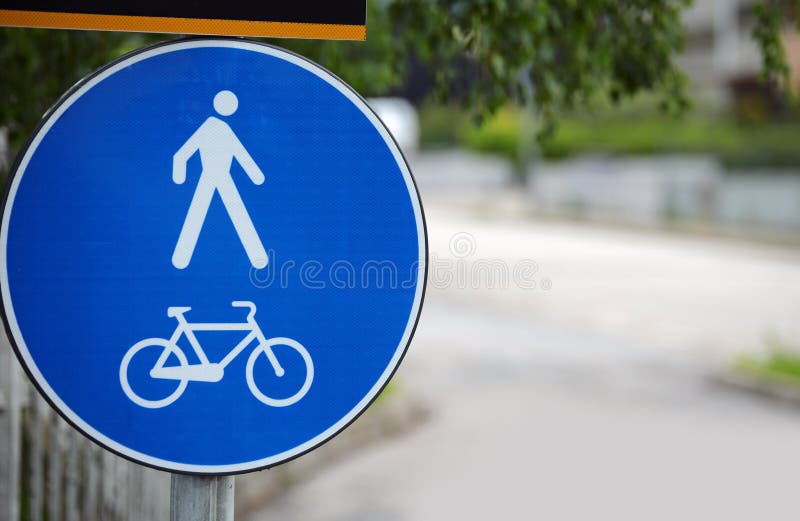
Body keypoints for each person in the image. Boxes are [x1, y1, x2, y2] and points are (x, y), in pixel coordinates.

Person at [171, 90, 268, 270]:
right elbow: (183, 154)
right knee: (203, 214)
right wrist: (179, 175)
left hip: (223, 176)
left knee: (233, 213)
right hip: (209, 175)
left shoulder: (222, 128)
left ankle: (258, 259)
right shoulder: (210, 127)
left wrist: (256, 175)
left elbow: (240, 154)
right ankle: (180, 259)